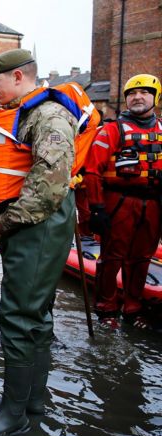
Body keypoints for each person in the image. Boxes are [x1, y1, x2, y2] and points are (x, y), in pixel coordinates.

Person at [0, 49, 78, 436]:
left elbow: (49, 184)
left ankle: (13, 412)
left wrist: (4, 222)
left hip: (37, 224)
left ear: (19, 77)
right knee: (36, 314)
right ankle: (31, 400)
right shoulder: (27, 113)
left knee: (18, 316)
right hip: (32, 222)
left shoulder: (46, 114)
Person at [84, 74, 162, 330]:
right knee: (112, 257)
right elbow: (93, 172)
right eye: (131, 93)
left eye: (144, 93)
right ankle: (107, 310)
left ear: (156, 97)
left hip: (153, 205)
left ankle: (132, 308)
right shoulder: (111, 130)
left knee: (142, 258)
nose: (137, 97)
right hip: (118, 203)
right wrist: (96, 208)